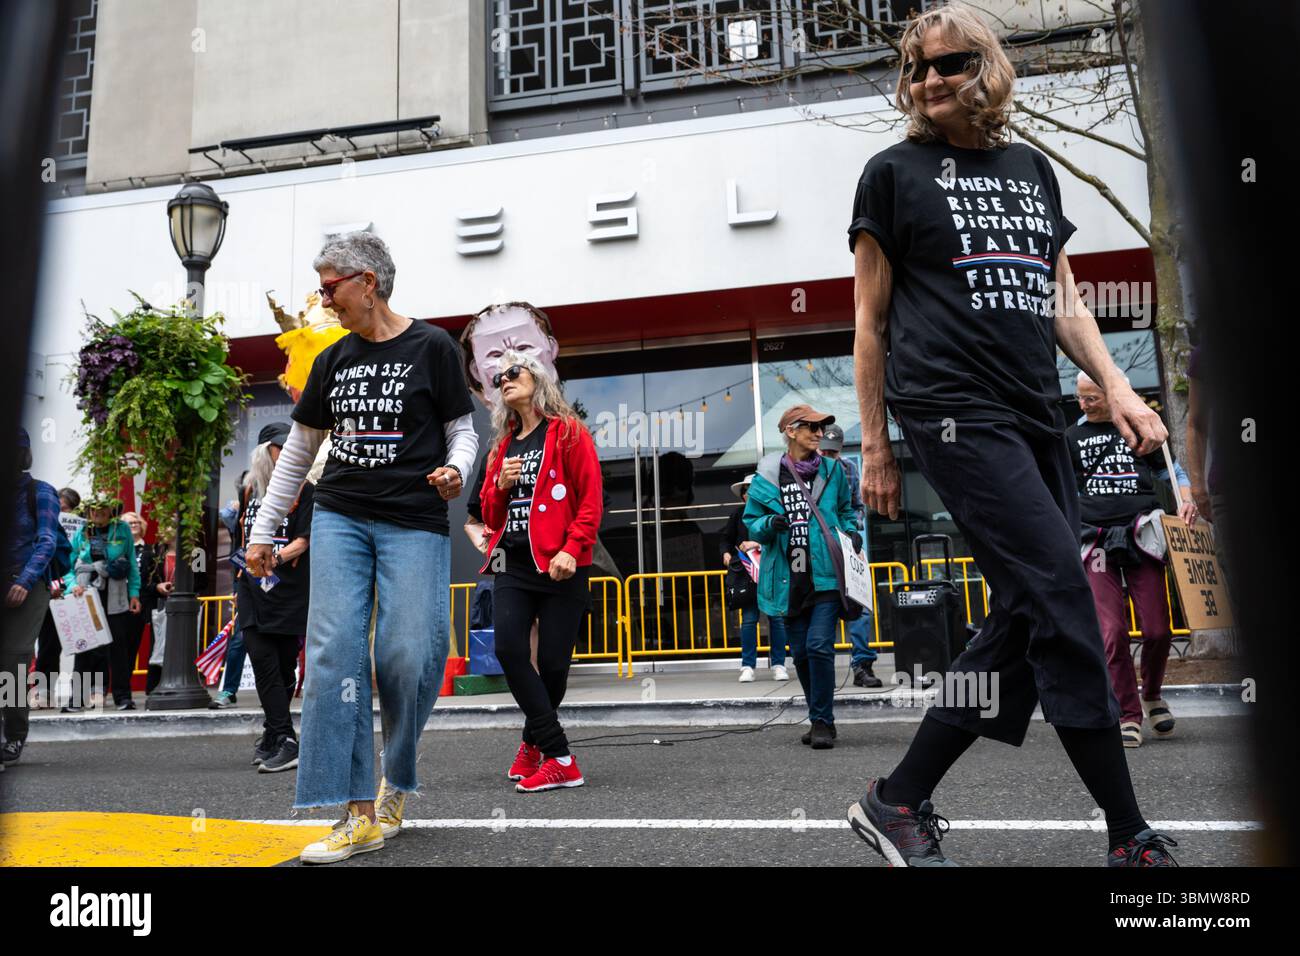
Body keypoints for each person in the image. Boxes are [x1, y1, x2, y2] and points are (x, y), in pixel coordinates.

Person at [845, 3, 1177, 866]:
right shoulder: (890, 173)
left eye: (947, 63)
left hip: (1040, 411)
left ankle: (899, 797)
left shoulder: (1032, 169)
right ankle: (1127, 834)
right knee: (1064, 593)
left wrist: (1121, 392)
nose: (927, 82)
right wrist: (874, 444)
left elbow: (1065, 300)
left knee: (1033, 608)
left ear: (986, 65)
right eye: (915, 69)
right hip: (953, 410)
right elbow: (869, 324)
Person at [246, 230, 477, 864]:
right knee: (333, 658)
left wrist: (456, 470)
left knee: (408, 654)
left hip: (412, 517)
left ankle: (395, 778)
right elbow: (299, 452)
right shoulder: (333, 358)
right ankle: (357, 812)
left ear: (366, 283)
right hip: (341, 515)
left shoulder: (431, 347)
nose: (323, 302)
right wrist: (265, 530)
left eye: (330, 288)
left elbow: (462, 431)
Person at [478, 350, 603, 792]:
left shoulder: (567, 431)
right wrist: (500, 485)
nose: (505, 380)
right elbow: (492, 515)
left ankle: (533, 745)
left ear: (538, 378)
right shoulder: (502, 446)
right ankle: (561, 757)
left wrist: (573, 548)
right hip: (512, 562)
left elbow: (590, 499)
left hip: (561, 565)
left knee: (553, 666)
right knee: (511, 650)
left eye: (514, 371)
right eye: (498, 378)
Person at [1067, 373, 1190, 748]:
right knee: (1112, 633)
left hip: (1142, 534)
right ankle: (1129, 712)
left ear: (1112, 393)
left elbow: (1174, 471)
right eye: (1080, 398)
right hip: (1096, 541)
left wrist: (1185, 498)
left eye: (1091, 398)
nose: (1083, 405)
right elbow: (1060, 487)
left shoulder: (1139, 426)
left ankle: (1152, 695)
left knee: (1157, 630)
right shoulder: (1069, 439)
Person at [744, 404, 860, 750]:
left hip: (825, 572)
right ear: (791, 431)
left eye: (822, 426)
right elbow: (752, 521)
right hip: (787, 575)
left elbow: (845, 509)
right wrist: (769, 524)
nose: (819, 432)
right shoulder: (767, 473)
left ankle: (823, 721)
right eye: (810, 427)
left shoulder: (833, 470)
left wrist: (852, 532)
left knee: (819, 645)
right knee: (803, 655)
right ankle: (818, 716)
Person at [237, 422, 313, 773]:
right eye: (278, 447)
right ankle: (285, 737)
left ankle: (271, 732)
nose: (285, 453)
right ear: (263, 452)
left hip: (290, 589)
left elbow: (304, 539)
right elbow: (242, 536)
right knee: (263, 660)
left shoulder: (305, 489)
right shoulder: (249, 488)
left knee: (283, 667)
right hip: (253, 589)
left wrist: (275, 558)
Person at [2, 427, 61, 766]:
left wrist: (24, 580)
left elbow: (47, 541)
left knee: (12, 659)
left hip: (26, 584)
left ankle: (14, 734)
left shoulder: (40, 492)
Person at [819, 423, 883, 688]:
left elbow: (857, 506)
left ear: (841, 449)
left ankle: (862, 665)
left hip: (846, 545)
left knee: (860, 604)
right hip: (818, 548)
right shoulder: (806, 471)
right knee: (822, 607)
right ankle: (822, 670)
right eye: (825, 451)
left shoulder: (849, 469)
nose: (829, 456)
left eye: (833, 452)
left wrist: (853, 526)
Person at [64, 493, 141, 711]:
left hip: (115, 594)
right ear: (88, 512)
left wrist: (134, 593)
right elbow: (68, 567)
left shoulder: (122, 530)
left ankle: (123, 697)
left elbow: (132, 566)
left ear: (111, 511)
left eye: (103, 509)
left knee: (118, 647)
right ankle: (77, 699)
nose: (98, 513)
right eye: (94, 510)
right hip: (87, 592)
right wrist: (72, 586)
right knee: (85, 646)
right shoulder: (82, 532)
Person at [721, 473, 789, 683]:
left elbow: (783, 538)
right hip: (747, 575)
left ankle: (778, 664)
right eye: (747, 491)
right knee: (749, 620)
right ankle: (748, 665)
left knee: (776, 619)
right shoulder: (737, 515)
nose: (750, 495)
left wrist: (757, 544)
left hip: (771, 573)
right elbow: (725, 538)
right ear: (743, 496)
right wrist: (726, 553)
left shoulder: (773, 514)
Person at [33, 487, 83, 707]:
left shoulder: (79, 530)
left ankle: (52, 692)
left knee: (55, 644)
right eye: (61, 508)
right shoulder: (39, 522)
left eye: (67, 509)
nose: (63, 512)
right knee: (40, 645)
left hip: (68, 591)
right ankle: (38, 692)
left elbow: (66, 560)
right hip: (44, 587)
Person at [120, 511, 169, 704]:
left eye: (136, 522)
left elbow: (153, 580)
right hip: (111, 604)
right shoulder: (114, 548)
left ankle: (124, 693)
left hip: (138, 606)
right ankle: (100, 689)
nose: (133, 525)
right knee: (106, 650)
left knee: (131, 650)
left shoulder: (152, 551)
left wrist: (156, 587)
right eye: (128, 522)